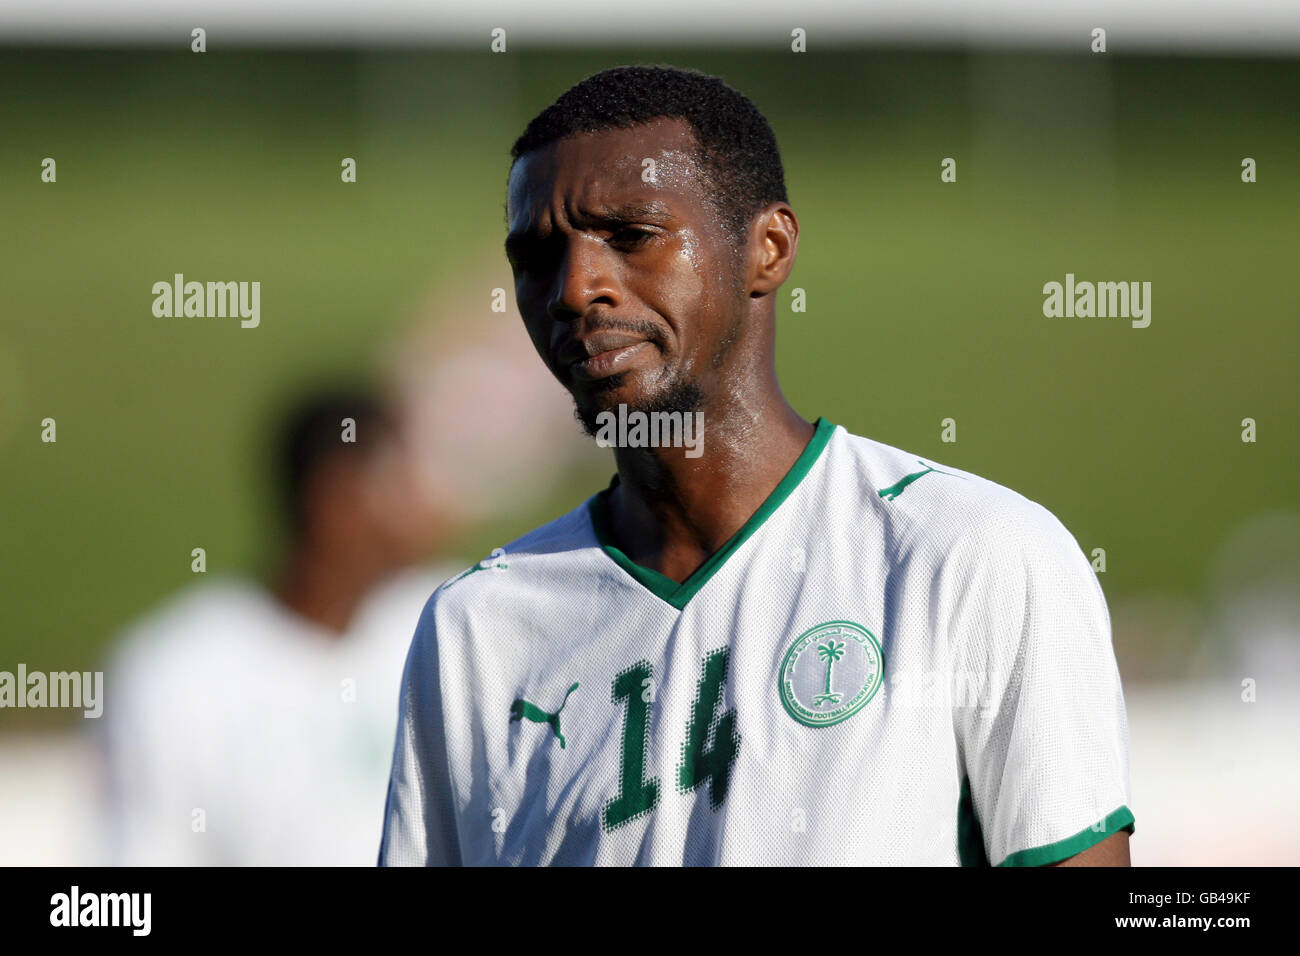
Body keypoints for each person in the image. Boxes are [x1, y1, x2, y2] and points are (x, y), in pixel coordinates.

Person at [380, 65, 1133, 866]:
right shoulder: (478, 628)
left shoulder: (967, 558)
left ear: (766, 250)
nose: (576, 287)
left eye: (631, 235)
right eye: (537, 257)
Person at [100, 389, 453, 865]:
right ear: (335, 501)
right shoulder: (172, 672)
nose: (433, 505)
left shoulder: (449, 625)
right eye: (403, 480)